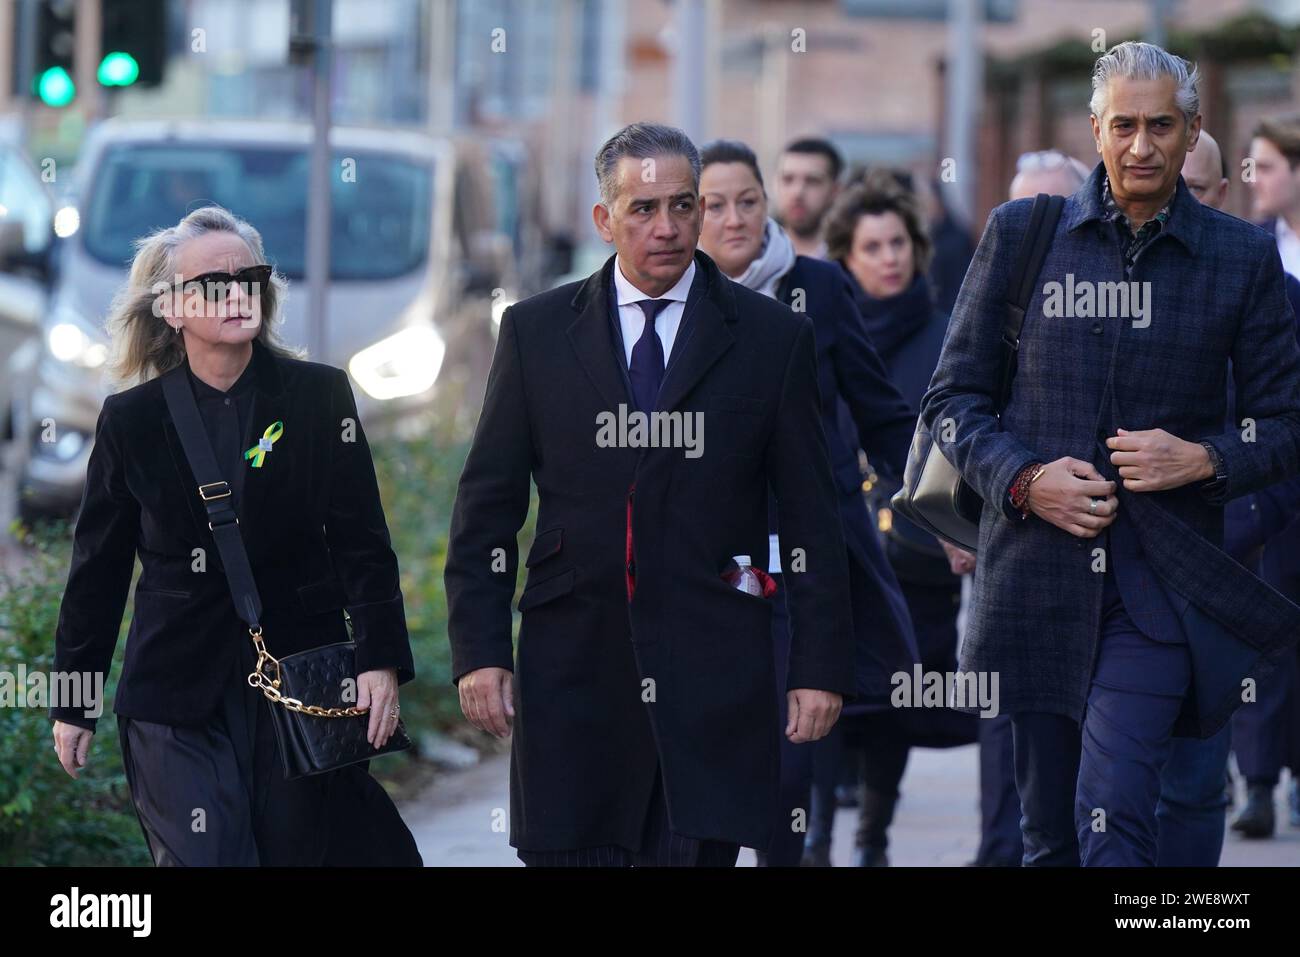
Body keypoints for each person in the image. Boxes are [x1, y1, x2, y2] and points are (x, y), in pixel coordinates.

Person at [921, 41, 1300, 867]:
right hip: (1033, 578)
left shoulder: (1242, 258)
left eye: (1161, 125)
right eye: (1122, 125)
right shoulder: (1024, 233)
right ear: (1094, 129)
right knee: (1048, 833)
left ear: (1194, 127)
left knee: (1118, 803)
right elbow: (952, 400)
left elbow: (1287, 422)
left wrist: (1202, 458)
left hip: (1161, 586)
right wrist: (1025, 479)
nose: (1141, 146)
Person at [444, 122, 855, 867]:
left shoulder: (769, 339)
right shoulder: (535, 334)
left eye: (682, 205)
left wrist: (818, 667)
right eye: (642, 209)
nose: (666, 227)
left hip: (712, 675)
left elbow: (810, 517)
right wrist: (478, 652)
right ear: (604, 220)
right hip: (574, 670)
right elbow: (487, 509)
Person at [49, 205, 420, 866]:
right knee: (206, 855)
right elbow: (98, 569)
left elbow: (362, 540)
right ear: (171, 307)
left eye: (250, 276)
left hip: (299, 681)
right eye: (214, 282)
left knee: (294, 853)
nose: (238, 291)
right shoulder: (131, 421)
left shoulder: (318, 399)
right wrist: (74, 699)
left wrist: (379, 658)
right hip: (174, 695)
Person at [695, 139, 918, 867]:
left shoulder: (817, 287)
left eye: (747, 201)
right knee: (712, 753)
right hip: (707, 563)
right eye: (713, 204)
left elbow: (881, 413)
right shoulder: (675, 298)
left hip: (804, 554)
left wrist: (948, 506)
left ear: (769, 204)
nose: (734, 219)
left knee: (793, 750)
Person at [822, 174, 981, 864]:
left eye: (898, 244)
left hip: (917, 551)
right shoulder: (816, 332)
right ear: (846, 258)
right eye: (871, 246)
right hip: (830, 544)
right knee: (821, 692)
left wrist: (961, 528)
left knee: (892, 702)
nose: (888, 257)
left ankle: (872, 840)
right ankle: (812, 836)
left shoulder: (950, 337)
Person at [774, 137, 844, 258]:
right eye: (788, 179)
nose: (797, 192)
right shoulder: (752, 256)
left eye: (812, 181)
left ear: (835, 191)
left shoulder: (852, 262)